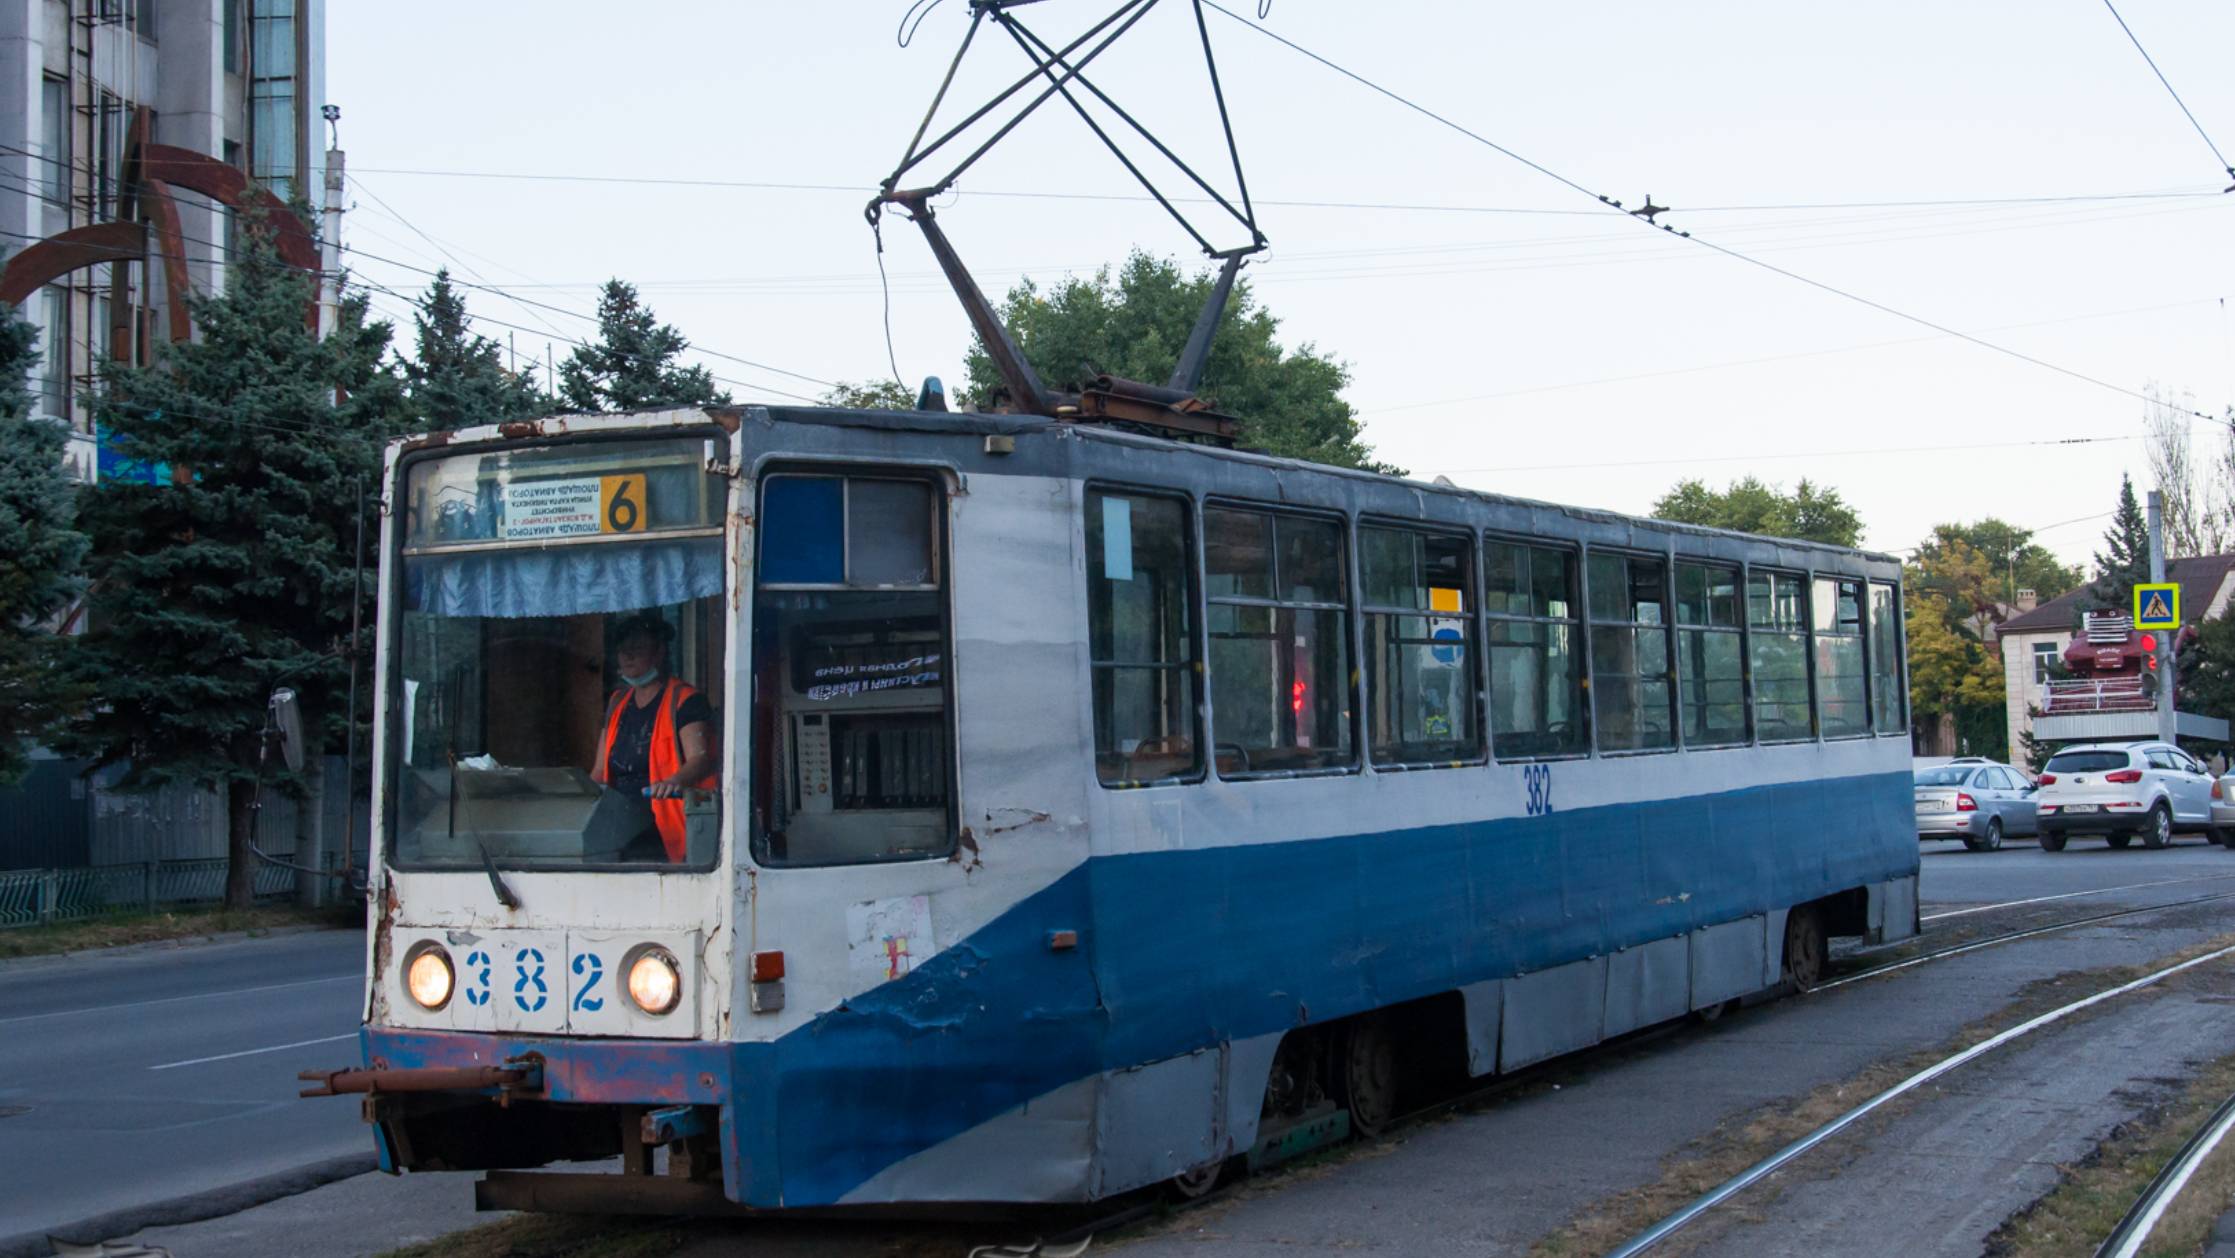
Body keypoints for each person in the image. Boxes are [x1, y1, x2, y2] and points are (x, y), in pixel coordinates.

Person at [592, 612, 717, 862]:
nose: (628, 655)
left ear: (659, 652)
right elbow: (599, 770)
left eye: (637, 648)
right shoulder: (617, 702)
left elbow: (700, 759)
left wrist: (673, 782)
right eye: (623, 649)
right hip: (617, 821)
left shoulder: (686, 699)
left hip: (663, 824)